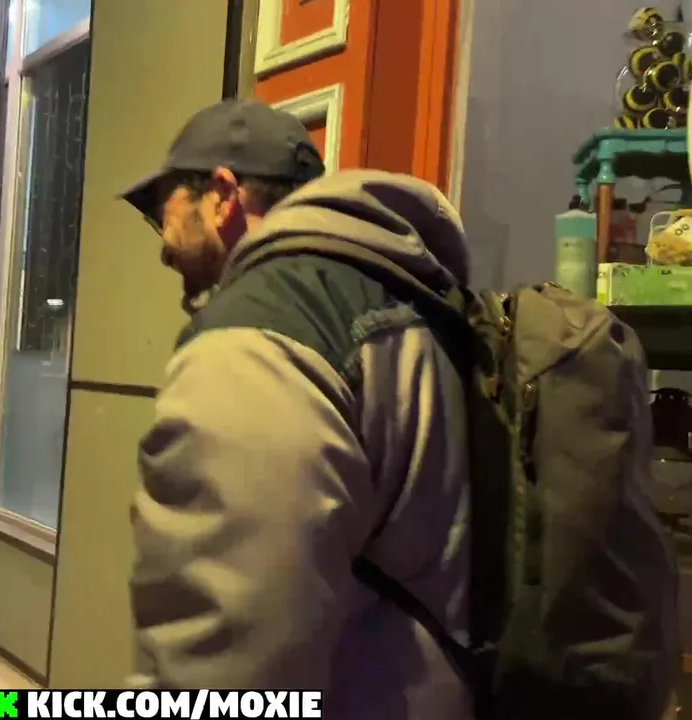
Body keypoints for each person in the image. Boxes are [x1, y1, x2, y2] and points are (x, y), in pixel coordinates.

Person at [120, 99, 474, 718]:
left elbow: (223, 679)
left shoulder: (256, 338)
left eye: (163, 213)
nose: (164, 249)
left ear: (222, 196)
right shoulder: (418, 300)